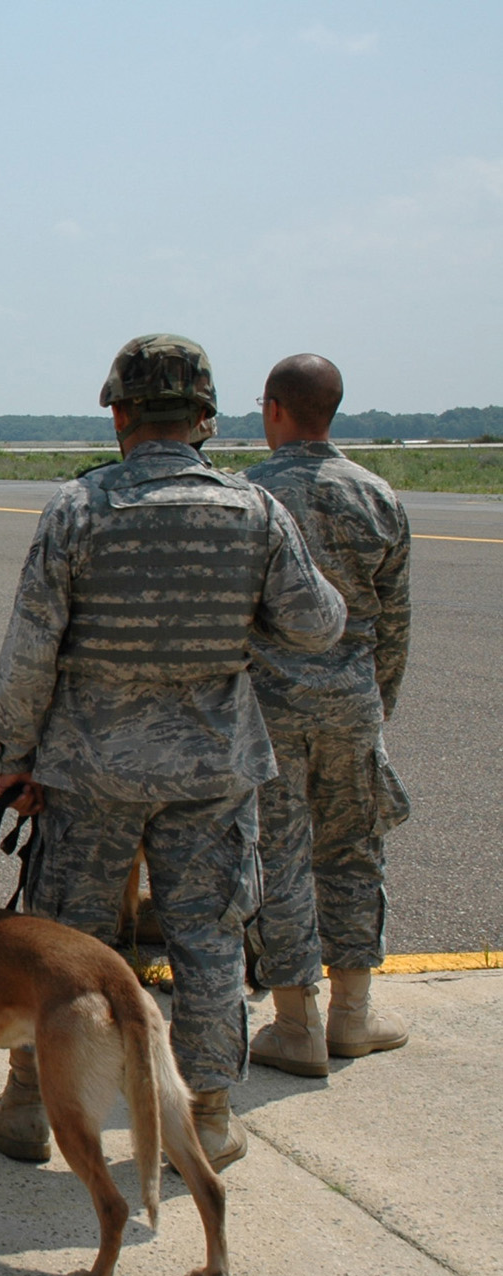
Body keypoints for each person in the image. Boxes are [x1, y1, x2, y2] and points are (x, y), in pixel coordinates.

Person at [0, 334, 345, 1170]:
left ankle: (30, 1104)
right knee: (208, 938)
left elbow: (30, 650)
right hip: (212, 772)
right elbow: (316, 623)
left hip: (89, 769)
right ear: (205, 419)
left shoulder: (76, 509)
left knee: (64, 944)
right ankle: (209, 1117)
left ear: (118, 414)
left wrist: (15, 752)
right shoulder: (253, 509)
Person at [244, 354, 414, 1077]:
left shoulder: (249, 495)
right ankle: (352, 1014)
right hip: (351, 700)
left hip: (270, 706)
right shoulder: (377, 495)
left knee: (278, 856)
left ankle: (293, 1024)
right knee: (351, 850)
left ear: (274, 409)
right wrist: (373, 706)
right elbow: (394, 623)